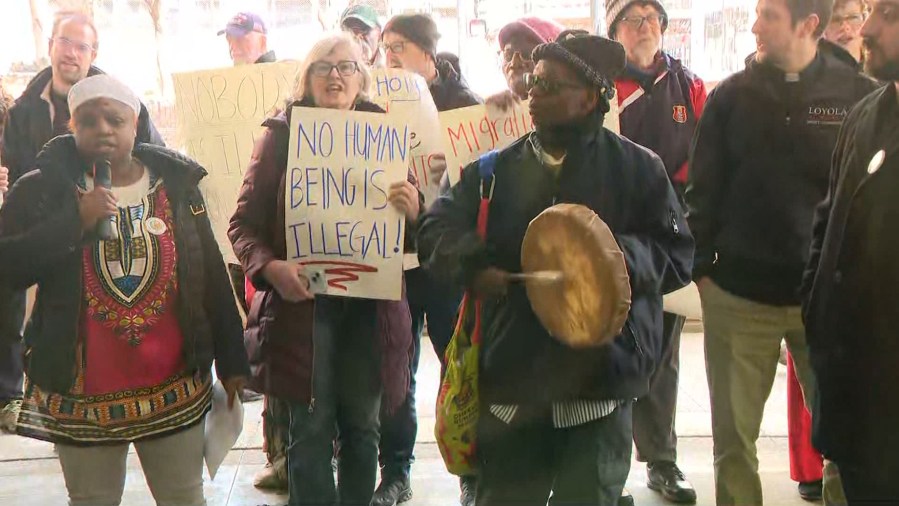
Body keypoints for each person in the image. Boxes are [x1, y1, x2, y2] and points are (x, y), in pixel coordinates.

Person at [419, 29, 694, 506]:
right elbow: (433, 229)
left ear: (589, 98)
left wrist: (607, 261)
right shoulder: (493, 171)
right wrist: (471, 262)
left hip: (599, 389)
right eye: (533, 81)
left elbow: (677, 254)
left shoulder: (638, 169)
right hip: (513, 389)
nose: (532, 93)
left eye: (548, 85)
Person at [0, 73, 249, 506]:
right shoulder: (41, 190)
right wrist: (73, 222)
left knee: (184, 499)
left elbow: (210, 275)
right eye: (89, 120)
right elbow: (7, 268)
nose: (103, 129)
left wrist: (232, 360)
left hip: (174, 387)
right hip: (80, 396)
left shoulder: (178, 185)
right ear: (71, 127)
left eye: (115, 119)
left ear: (136, 125)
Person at [686, 0, 880, 503]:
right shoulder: (730, 99)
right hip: (739, 299)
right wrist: (704, 272)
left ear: (808, 25)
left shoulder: (859, 97)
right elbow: (702, 194)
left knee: (847, 440)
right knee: (733, 446)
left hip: (826, 304)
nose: (755, 25)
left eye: (769, 14)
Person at [229, 33, 418, 506]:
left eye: (346, 67)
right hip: (301, 312)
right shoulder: (279, 135)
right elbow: (243, 226)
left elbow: (415, 236)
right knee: (308, 433)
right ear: (306, 79)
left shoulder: (386, 135)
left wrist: (415, 208)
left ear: (363, 78)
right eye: (323, 67)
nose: (335, 75)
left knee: (363, 429)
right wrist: (271, 268)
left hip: (369, 311)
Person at [0, 10, 164, 435]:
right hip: (42, 232)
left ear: (94, 53)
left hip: (107, 236)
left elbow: (152, 159)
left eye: (81, 46)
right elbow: (19, 178)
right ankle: (8, 392)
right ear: (50, 45)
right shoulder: (22, 112)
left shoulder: (125, 103)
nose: (71, 53)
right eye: (64, 42)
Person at [374, 13, 482, 506]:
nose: (389, 55)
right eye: (384, 47)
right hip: (391, 263)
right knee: (395, 370)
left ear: (427, 55)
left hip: (444, 264)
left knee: (459, 365)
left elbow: (483, 190)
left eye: (399, 46)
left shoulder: (464, 109)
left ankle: (473, 471)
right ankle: (395, 472)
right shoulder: (368, 106)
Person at [607, 1, 706, 503]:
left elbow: (707, 158)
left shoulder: (689, 87)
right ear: (614, 29)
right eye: (632, 19)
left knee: (663, 353)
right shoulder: (599, 83)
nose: (644, 28)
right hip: (609, 239)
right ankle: (609, 468)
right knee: (610, 349)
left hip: (666, 241)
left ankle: (662, 462)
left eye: (651, 19)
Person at [802, 2, 899, 503]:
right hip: (856, 397)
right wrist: (815, 308)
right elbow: (828, 219)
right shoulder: (866, 114)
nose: (867, 29)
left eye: (889, 14)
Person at [485, 17, 565, 108]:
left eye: (528, 54)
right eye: (508, 55)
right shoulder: (500, 109)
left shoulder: (567, 113)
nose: (514, 63)